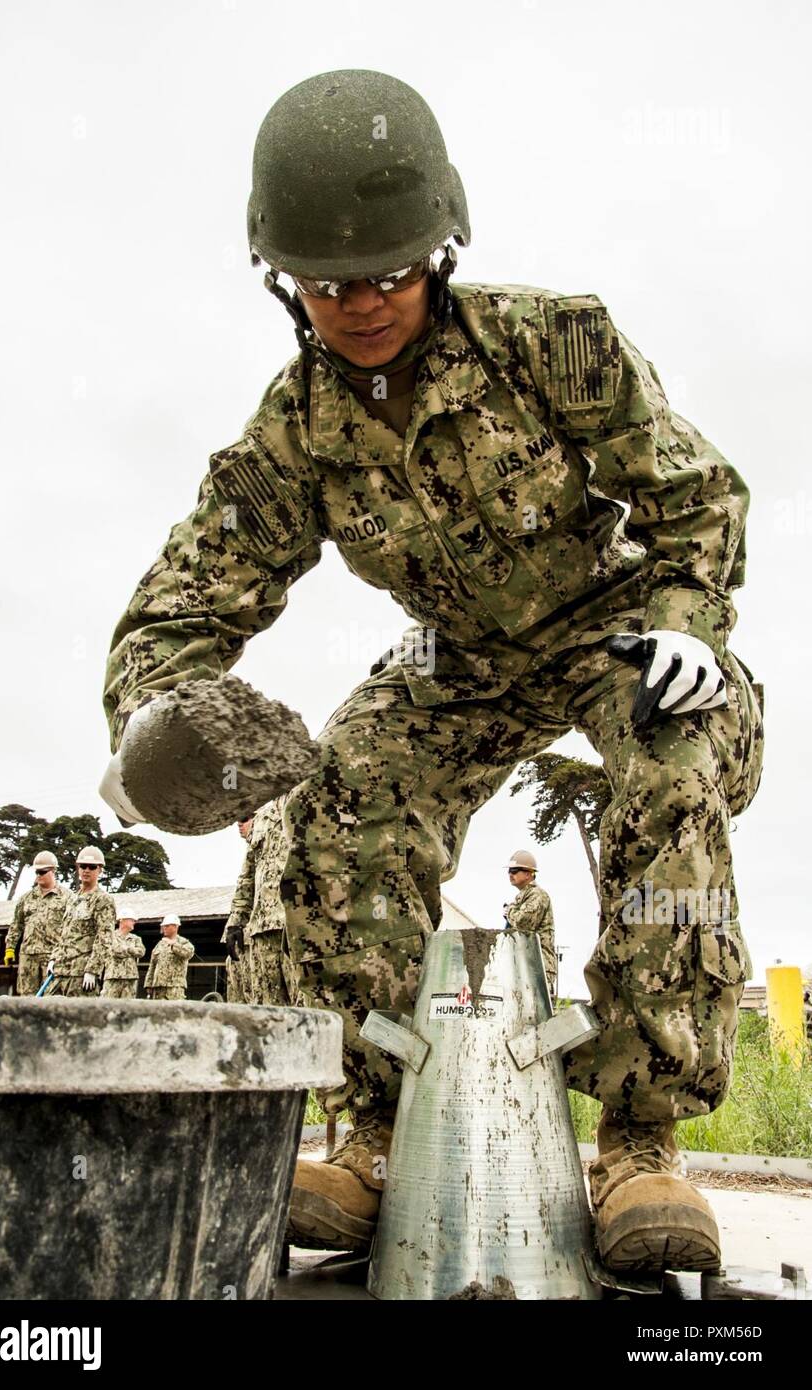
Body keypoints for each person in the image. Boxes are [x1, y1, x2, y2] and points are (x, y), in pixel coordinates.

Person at [100, 70, 764, 1274]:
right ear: (282, 280)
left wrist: (687, 622)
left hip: (613, 622)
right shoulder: (294, 432)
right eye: (325, 283)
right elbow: (182, 607)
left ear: (441, 249)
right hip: (459, 652)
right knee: (341, 791)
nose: (358, 304)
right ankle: (372, 1129)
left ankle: (641, 1141)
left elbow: (697, 496)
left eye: (388, 275)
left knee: (667, 774)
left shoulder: (555, 344)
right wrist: (152, 728)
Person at [222, 797, 291, 1006]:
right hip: (263, 927)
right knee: (267, 1004)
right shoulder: (262, 817)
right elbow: (247, 877)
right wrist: (235, 921)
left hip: (297, 924)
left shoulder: (311, 802)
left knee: (304, 1002)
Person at [47, 846, 115, 996]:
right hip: (60, 971)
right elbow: (63, 934)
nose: (86, 870)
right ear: (78, 868)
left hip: (81, 975)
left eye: (92, 867)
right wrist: (53, 958)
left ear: (100, 870)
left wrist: (92, 970)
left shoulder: (103, 900)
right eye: (83, 866)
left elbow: (105, 937)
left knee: (80, 1017)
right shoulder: (72, 898)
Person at [4, 851, 72, 996]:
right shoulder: (26, 898)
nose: (39, 876)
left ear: (53, 871)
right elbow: (17, 924)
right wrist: (10, 948)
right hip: (28, 956)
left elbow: (72, 929)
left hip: (53, 957)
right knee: (26, 997)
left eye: (42, 872)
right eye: (37, 872)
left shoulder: (68, 897)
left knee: (51, 997)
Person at [504, 850, 557, 1000]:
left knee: (536, 1017)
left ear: (529, 873)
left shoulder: (538, 895)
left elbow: (522, 923)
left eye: (515, 870)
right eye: (509, 871)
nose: (510, 874)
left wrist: (509, 911)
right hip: (525, 967)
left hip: (539, 968)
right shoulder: (523, 897)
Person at [144, 914, 194, 1000]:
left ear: (176, 927)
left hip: (175, 987)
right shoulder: (160, 944)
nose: (164, 928)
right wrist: (148, 984)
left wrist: (173, 944)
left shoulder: (184, 942)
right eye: (163, 926)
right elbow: (152, 965)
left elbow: (188, 953)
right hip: (158, 987)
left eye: (167, 926)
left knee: (174, 1011)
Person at [101, 908, 146, 999]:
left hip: (130, 977)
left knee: (128, 1006)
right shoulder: (111, 936)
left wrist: (125, 949)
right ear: (122, 920)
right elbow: (116, 950)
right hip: (113, 976)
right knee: (108, 1004)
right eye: (132, 920)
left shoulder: (136, 938)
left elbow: (141, 952)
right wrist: (132, 950)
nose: (134, 922)